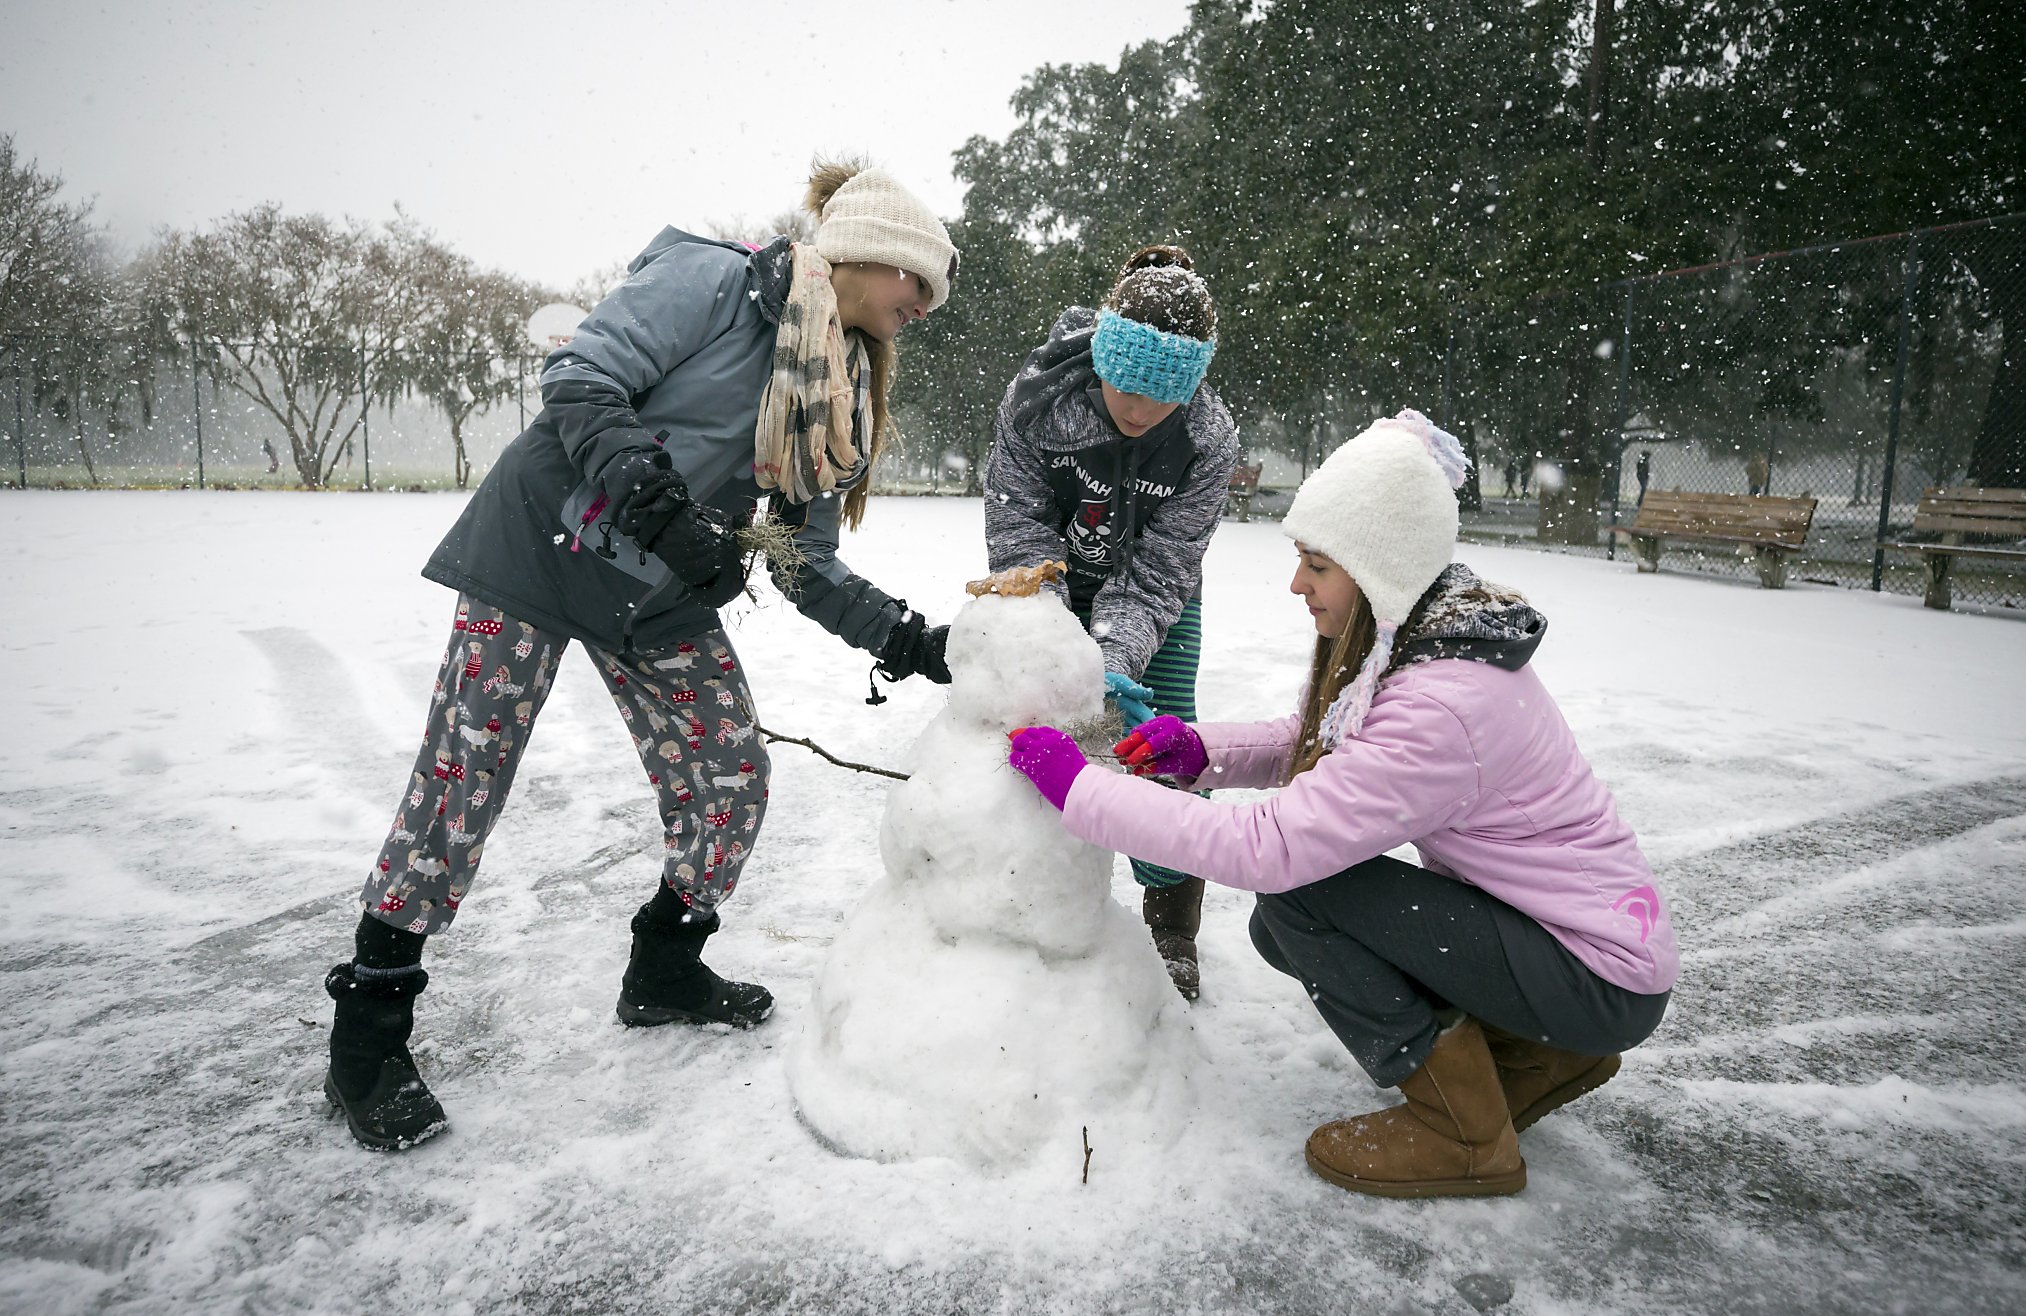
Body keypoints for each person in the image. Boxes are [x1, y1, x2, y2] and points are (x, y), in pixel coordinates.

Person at [321, 159, 960, 1150]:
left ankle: (663, 966)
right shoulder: (715, 280)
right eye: (916, 279)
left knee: (730, 773)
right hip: (539, 546)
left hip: (658, 595)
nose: (925, 303)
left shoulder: (835, 393)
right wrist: (654, 497)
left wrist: (916, 642)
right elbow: (581, 374)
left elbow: (803, 566)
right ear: (864, 252)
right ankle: (368, 1030)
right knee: (464, 777)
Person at [1006, 410, 1675, 1198]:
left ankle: (1465, 1133)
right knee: (1284, 928)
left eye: (1317, 565)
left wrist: (1079, 790)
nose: (1297, 584)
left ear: (1377, 567)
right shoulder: (1422, 643)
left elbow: (1268, 848)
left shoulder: (1444, 705)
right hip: (1570, 945)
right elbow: (1315, 736)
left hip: (1594, 971)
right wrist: (1199, 749)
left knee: (1297, 891)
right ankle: (1540, 1053)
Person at [983, 245, 1241, 1001]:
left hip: (1158, 598)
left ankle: (1171, 921)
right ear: (1102, 355)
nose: (1135, 410)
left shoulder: (1208, 439)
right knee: (1040, 724)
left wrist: (1117, 655)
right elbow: (1019, 527)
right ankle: (1029, 892)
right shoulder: (1038, 402)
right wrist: (1060, 642)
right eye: (1123, 385)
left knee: (1163, 742)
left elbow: (1163, 567)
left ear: (1189, 390)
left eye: (1157, 398)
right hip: (1046, 583)